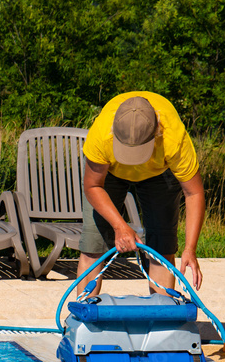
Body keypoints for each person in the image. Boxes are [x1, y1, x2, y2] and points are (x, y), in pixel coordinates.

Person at [77, 91, 205, 296]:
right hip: (110, 173)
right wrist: (120, 226)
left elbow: (194, 193)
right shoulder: (100, 134)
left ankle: (160, 319)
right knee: (93, 245)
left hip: (160, 172)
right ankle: (84, 318)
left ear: (157, 132)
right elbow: (93, 186)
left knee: (162, 249)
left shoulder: (173, 137)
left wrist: (190, 248)